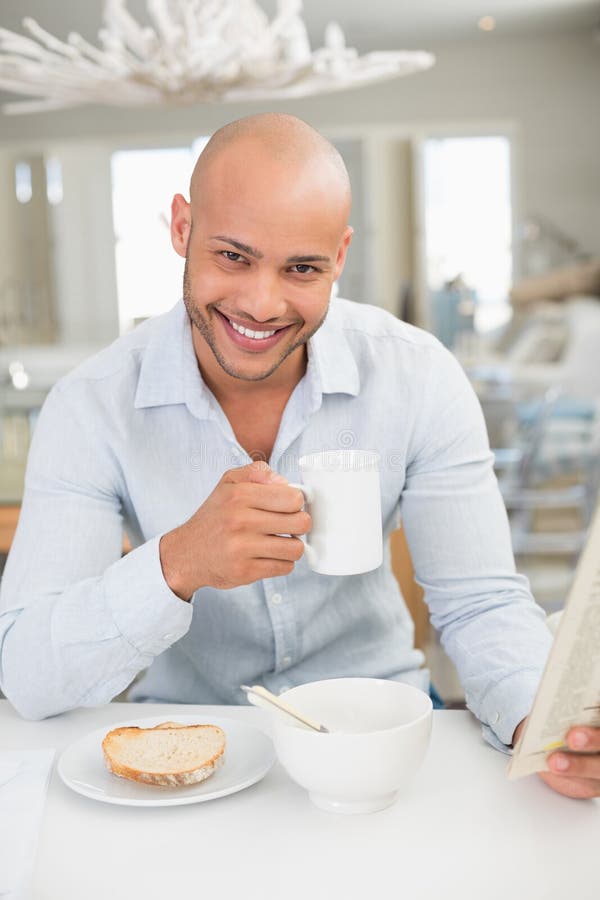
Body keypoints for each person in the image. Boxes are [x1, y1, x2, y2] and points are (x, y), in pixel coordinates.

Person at [0, 114, 597, 799]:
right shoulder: (91, 407)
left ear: (339, 256)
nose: (262, 302)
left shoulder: (417, 376)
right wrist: (176, 565)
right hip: (190, 750)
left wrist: (541, 726)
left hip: (385, 737)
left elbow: (480, 604)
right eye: (233, 256)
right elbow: (27, 673)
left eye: (302, 268)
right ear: (180, 228)